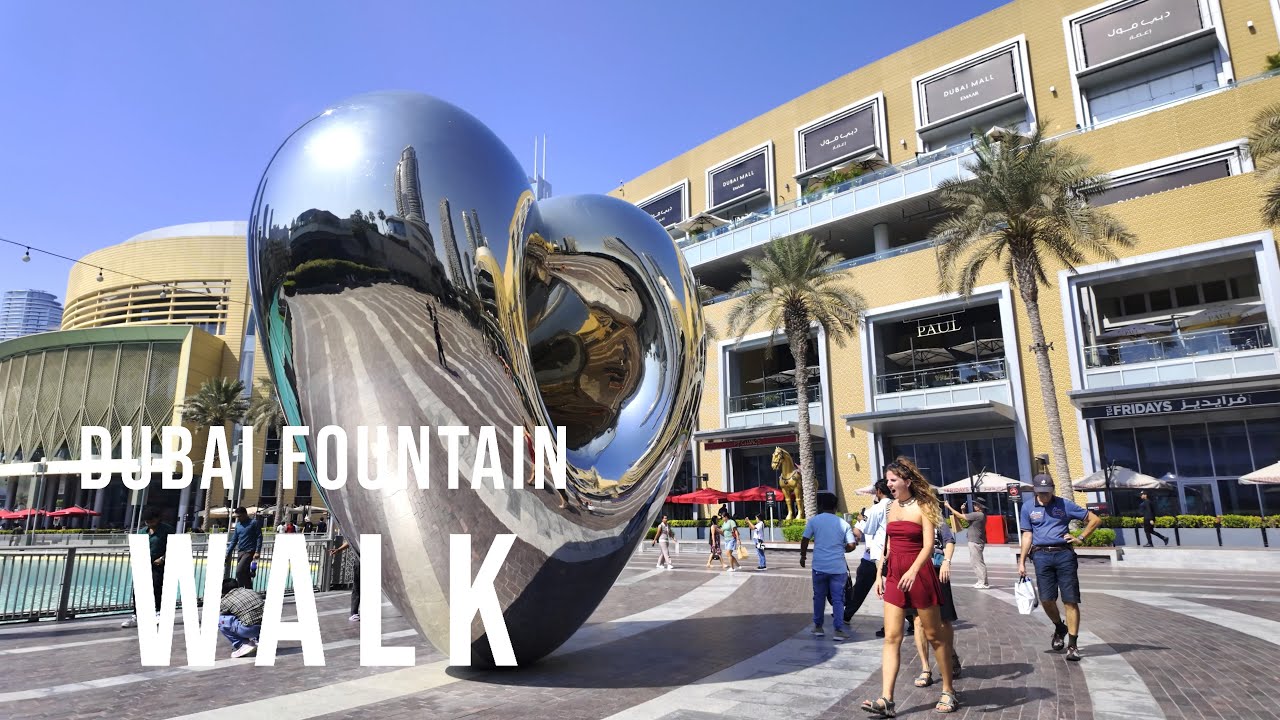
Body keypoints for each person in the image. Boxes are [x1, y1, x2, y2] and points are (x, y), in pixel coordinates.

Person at [862, 457, 957, 716]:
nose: (889, 484)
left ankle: (948, 690)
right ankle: (886, 699)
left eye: (893, 480)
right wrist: (880, 573)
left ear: (907, 481)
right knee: (892, 637)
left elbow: (928, 545)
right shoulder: (890, 507)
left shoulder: (924, 505)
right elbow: (888, 544)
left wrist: (914, 571)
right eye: (888, 480)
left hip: (919, 574)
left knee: (934, 636)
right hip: (894, 574)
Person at [1019, 473, 1102, 663]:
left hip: (1064, 554)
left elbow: (1095, 520)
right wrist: (1021, 561)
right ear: (1034, 490)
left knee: (1070, 600)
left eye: (1047, 492)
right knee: (1047, 599)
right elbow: (1027, 536)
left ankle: (1072, 645)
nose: (1044, 496)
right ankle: (1059, 627)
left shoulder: (1064, 505)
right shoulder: (1027, 507)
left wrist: (1081, 537)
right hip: (1040, 556)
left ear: (1053, 490)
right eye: (1040, 493)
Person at [912, 503, 963, 689]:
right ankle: (926, 669)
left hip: (937, 568)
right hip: (916, 572)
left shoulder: (936, 518)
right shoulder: (909, 518)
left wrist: (946, 563)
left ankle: (949, 655)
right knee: (918, 621)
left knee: (943, 620)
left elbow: (949, 541)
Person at [799, 492, 856, 642]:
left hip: (819, 567)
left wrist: (803, 556)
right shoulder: (843, 524)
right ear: (835, 506)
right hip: (838, 568)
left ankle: (818, 627)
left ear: (821, 506)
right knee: (838, 599)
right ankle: (838, 630)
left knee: (819, 597)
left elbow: (805, 539)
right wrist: (842, 549)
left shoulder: (814, 521)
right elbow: (851, 545)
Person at [846, 480, 891, 628]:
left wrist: (861, 519)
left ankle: (846, 615)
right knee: (893, 589)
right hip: (886, 554)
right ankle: (910, 619)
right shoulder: (896, 506)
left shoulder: (876, 509)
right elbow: (859, 531)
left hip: (876, 555)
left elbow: (868, 529)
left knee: (861, 588)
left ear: (878, 492)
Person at [121, 507, 173, 628]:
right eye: (147, 521)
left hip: (159, 565)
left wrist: (163, 558)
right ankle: (137, 615)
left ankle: (158, 612)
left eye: (152, 520)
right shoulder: (142, 532)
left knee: (156, 587)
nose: (149, 523)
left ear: (158, 519)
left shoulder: (167, 530)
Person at [944, 496, 990, 589]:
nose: (974, 506)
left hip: (975, 541)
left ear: (980, 506)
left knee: (978, 562)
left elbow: (961, 517)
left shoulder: (979, 514)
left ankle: (983, 582)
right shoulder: (980, 515)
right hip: (975, 541)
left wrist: (948, 506)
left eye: (976, 504)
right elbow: (967, 521)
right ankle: (981, 580)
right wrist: (964, 511)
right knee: (975, 561)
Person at [218, 578, 265, 658]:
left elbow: (223, 613)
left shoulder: (226, 600)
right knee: (251, 614)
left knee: (221, 620)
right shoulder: (250, 591)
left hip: (250, 630)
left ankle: (242, 644)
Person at [224, 507, 263, 590]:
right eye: (237, 517)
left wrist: (257, 551)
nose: (238, 518)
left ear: (245, 514)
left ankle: (240, 591)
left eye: (239, 516)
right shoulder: (238, 525)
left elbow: (259, 537)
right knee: (245, 574)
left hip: (250, 551)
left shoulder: (254, 523)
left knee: (239, 571)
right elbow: (234, 540)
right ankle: (249, 592)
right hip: (241, 552)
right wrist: (228, 553)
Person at [330, 537, 361, 621]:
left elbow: (350, 540)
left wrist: (339, 550)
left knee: (358, 588)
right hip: (360, 560)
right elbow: (350, 540)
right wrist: (339, 549)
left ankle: (354, 613)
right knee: (357, 587)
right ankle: (354, 612)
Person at [718, 508, 741, 572]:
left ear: (726, 517)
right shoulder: (724, 523)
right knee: (728, 554)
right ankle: (737, 564)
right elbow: (722, 531)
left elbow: (735, 530)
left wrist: (738, 539)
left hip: (731, 539)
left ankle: (732, 568)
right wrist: (716, 529)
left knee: (728, 553)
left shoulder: (731, 521)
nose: (722, 519)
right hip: (726, 540)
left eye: (723, 517)